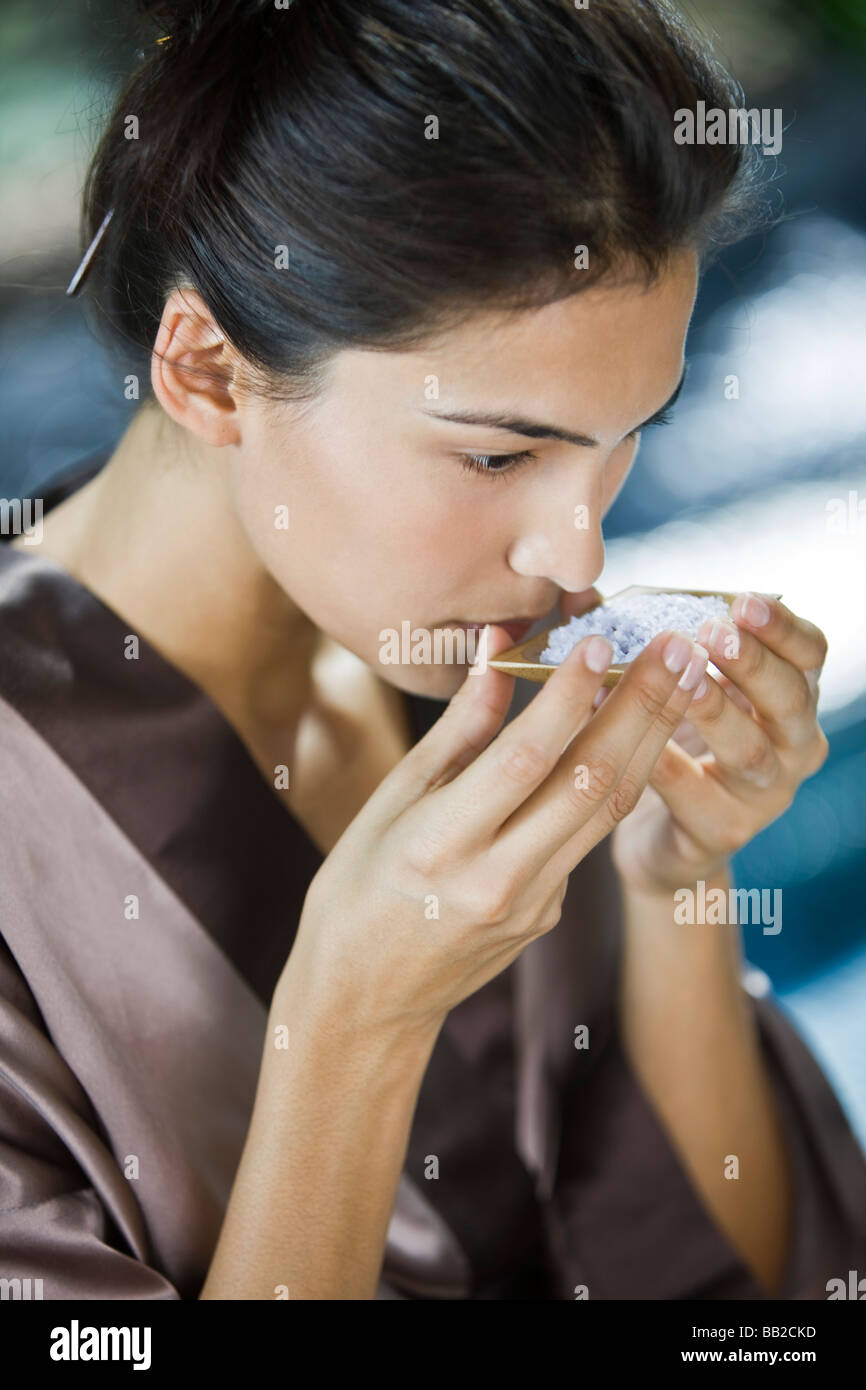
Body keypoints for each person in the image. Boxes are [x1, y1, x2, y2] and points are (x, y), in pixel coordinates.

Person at [1, 0, 864, 1301]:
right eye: (497, 454)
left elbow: (746, 1303)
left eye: (625, 434)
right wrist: (353, 1026)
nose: (576, 558)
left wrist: (671, 869)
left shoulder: (519, 659)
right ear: (209, 374)